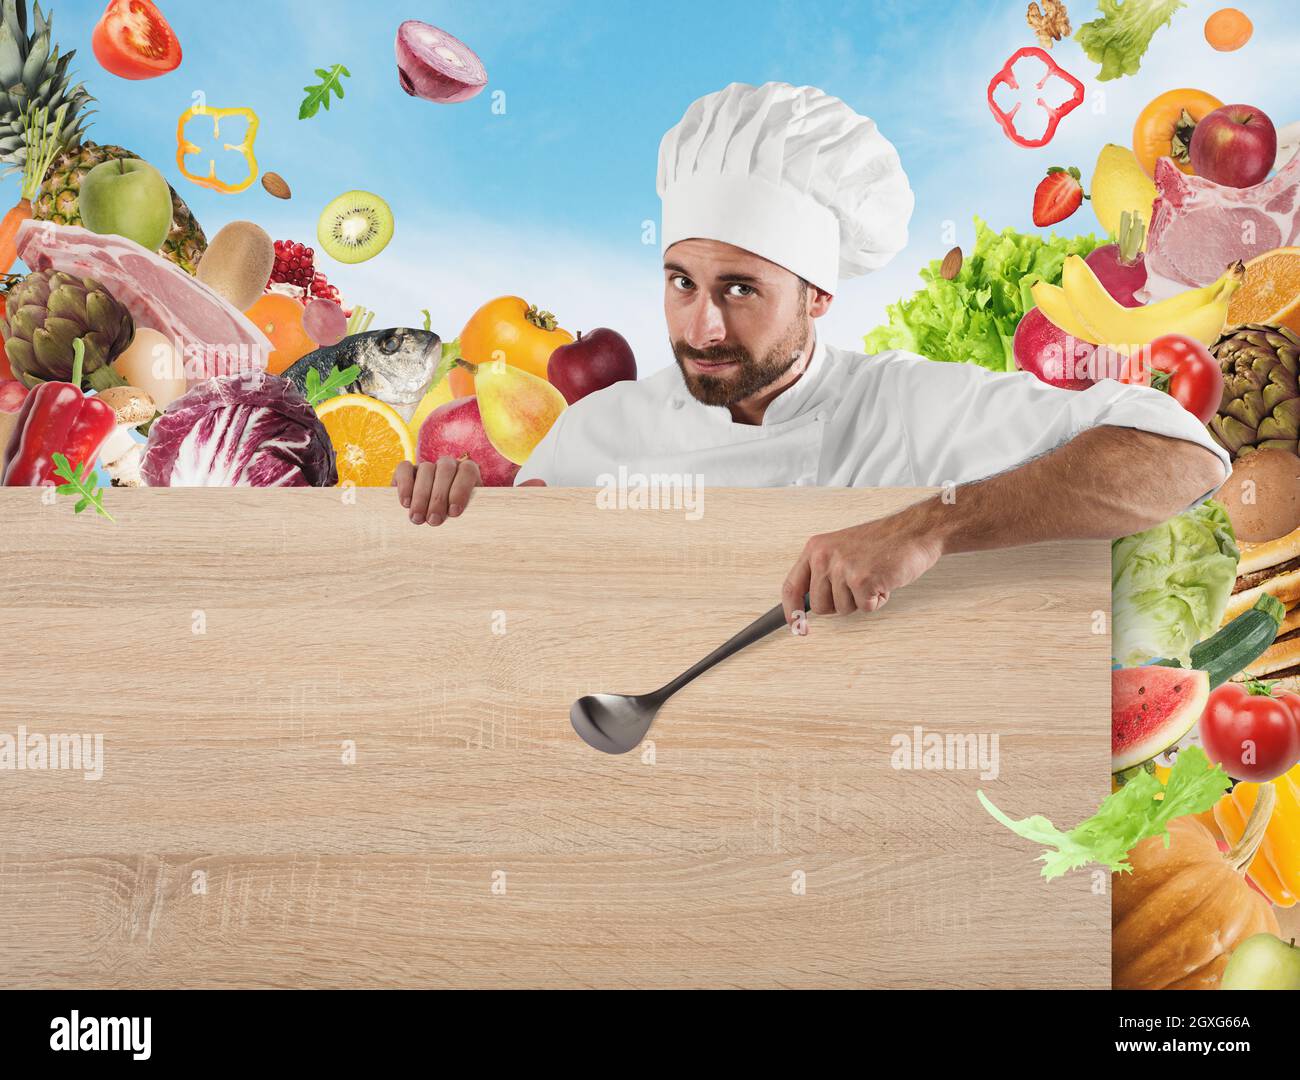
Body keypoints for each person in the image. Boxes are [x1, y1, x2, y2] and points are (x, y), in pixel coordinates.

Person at [394, 82, 1228, 624]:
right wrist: (445, 521)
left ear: (820, 295)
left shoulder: (915, 409)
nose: (703, 329)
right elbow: (492, 615)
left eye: (741, 290)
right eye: (681, 283)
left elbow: (1182, 455)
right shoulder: (594, 437)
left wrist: (929, 527)